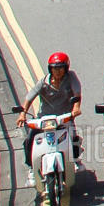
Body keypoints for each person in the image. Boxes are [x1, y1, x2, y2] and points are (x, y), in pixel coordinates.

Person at [17, 52, 83, 187]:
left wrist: (76, 108)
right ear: (50, 69)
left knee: (72, 135)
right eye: (54, 68)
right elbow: (29, 97)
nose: (57, 71)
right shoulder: (43, 82)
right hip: (44, 119)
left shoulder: (71, 77)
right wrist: (23, 114)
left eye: (60, 68)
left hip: (63, 117)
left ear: (66, 68)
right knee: (30, 139)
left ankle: (75, 160)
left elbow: (77, 93)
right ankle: (31, 169)